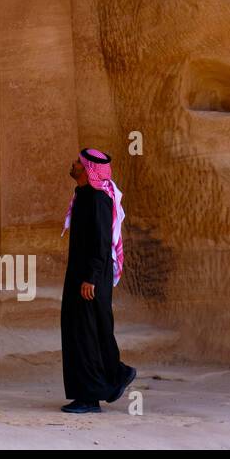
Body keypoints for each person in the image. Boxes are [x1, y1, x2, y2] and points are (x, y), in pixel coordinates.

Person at [59, 148, 137, 413]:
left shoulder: (98, 199)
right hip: (81, 274)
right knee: (82, 330)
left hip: (92, 277)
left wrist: (90, 277)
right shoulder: (83, 195)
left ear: (87, 169)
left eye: (78, 163)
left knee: (87, 334)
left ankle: (90, 397)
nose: (73, 164)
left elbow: (102, 242)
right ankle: (116, 375)